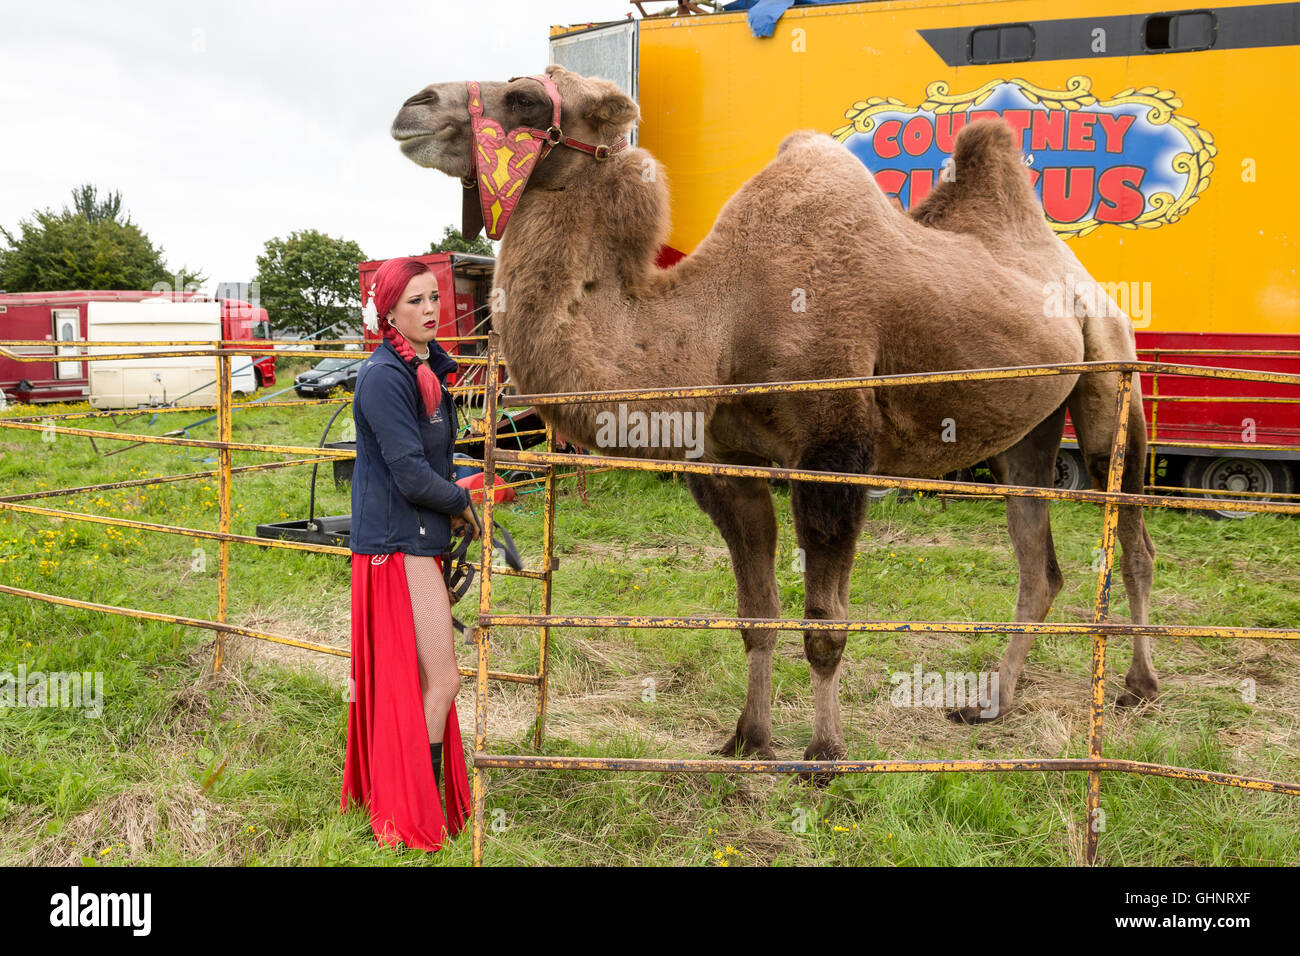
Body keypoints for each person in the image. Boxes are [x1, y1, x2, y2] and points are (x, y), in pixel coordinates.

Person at [340, 256, 480, 852]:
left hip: (418, 538)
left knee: (425, 677)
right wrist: (464, 501)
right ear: (389, 311)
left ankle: (412, 794)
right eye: (416, 301)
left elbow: (432, 462)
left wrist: (454, 496)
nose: (431, 310)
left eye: (433, 298)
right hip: (400, 546)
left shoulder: (421, 368)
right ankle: (414, 804)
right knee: (442, 677)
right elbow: (409, 474)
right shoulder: (383, 377)